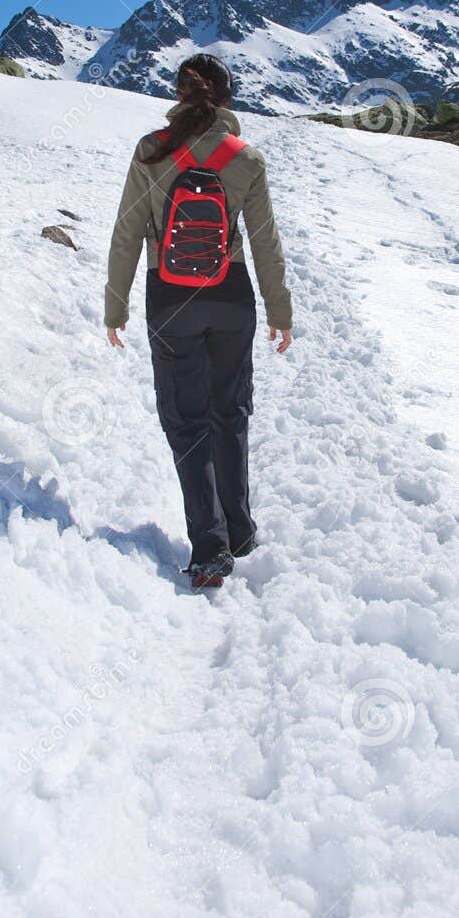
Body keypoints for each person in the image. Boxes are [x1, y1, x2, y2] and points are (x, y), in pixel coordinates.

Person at [104, 54, 293, 589]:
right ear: (226, 99)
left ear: (179, 95)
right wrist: (279, 310)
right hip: (231, 295)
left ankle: (210, 548)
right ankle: (239, 530)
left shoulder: (152, 149)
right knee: (230, 411)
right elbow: (265, 242)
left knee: (186, 420)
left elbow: (127, 233)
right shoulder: (246, 158)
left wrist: (115, 307)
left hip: (170, 298)